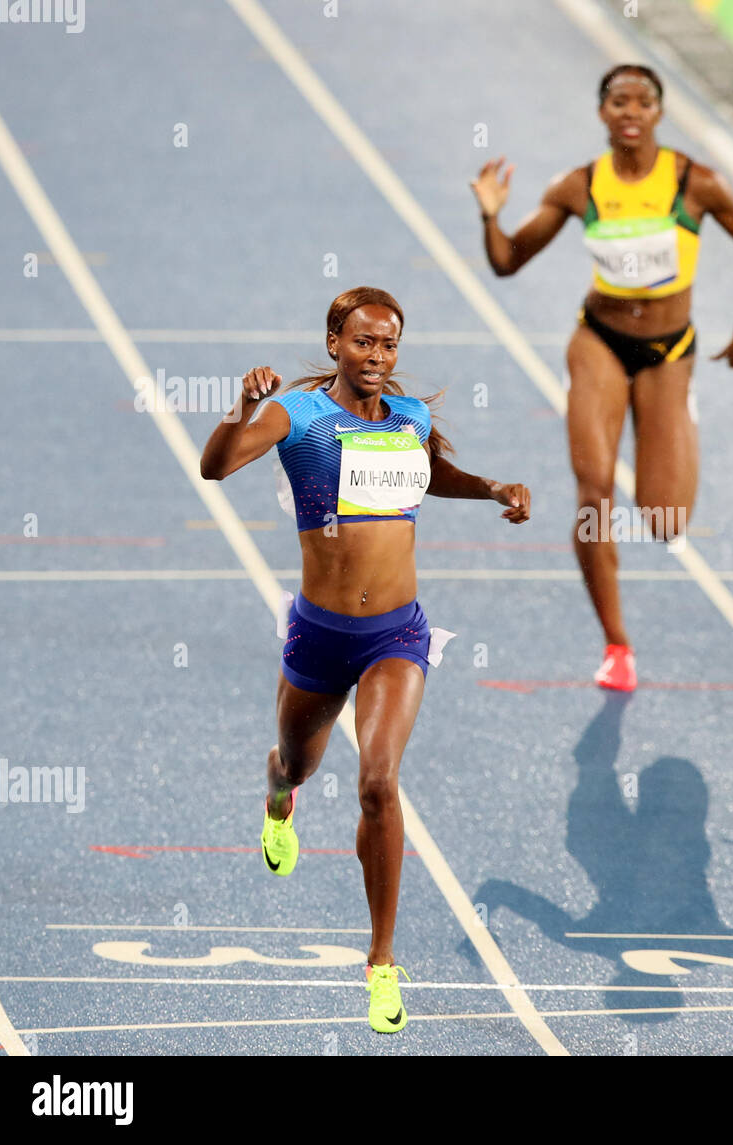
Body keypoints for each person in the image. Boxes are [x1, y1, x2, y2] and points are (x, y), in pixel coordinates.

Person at [199, 286, 531, 1033]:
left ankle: (381, 961)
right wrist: (241, 409)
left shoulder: (409, 420)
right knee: (298, 762)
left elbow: (430, 472)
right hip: (319, 635)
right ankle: (279, 794)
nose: (376, 357)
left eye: (388, 345)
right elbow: (214, 469)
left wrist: (491, 489)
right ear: (333, 344)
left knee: (379, 780)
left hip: (395, 637)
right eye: (362, 343)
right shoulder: (301, 418)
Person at [470, 63, 733, 689]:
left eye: (643, 101)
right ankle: (617, 645)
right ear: (603, 114)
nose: (630, 111)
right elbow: (507, 263)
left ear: (659, 113)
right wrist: (489, 217)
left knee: (664, 521)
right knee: (594, 487)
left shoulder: (695, 183)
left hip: (669, 352)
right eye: (617, 101)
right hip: (599, 342)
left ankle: (678, 417)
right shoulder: (580, 187)